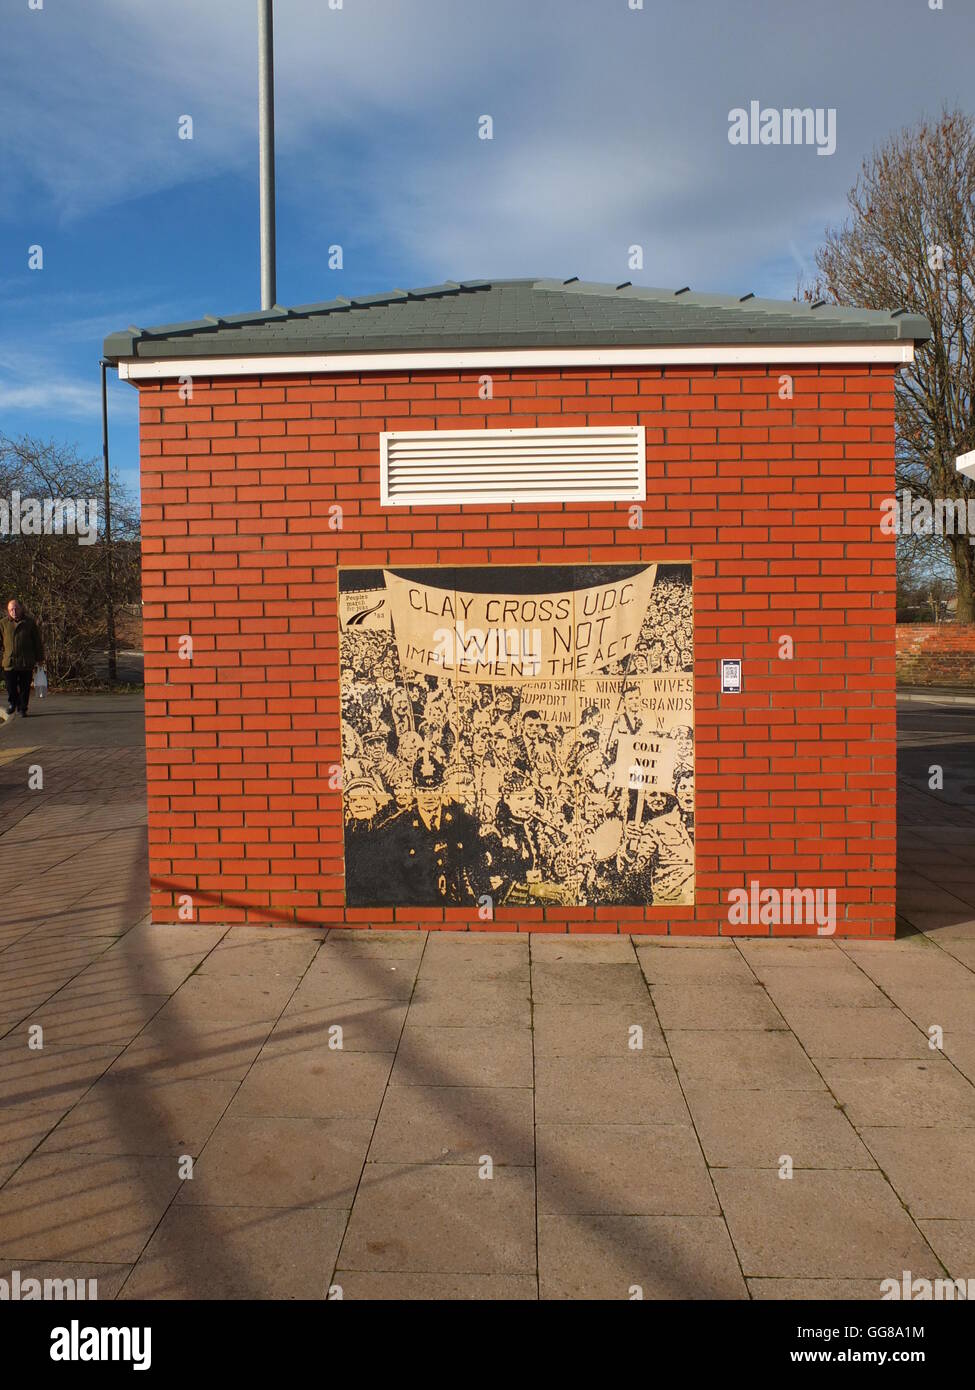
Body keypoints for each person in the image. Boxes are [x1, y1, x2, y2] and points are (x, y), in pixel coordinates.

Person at [1, 599, 44, 719]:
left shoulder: (30, 623)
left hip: (26, 661)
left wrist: (40, 658)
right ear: (8, 611)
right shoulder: (3, 623)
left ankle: (22, 708)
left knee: (25, 687)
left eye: (16, 608)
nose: (13, 611)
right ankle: (13, 703)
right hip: (9, 662)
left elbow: (37, 643)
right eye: (11, 609)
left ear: (21, 608)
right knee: (10, 686)